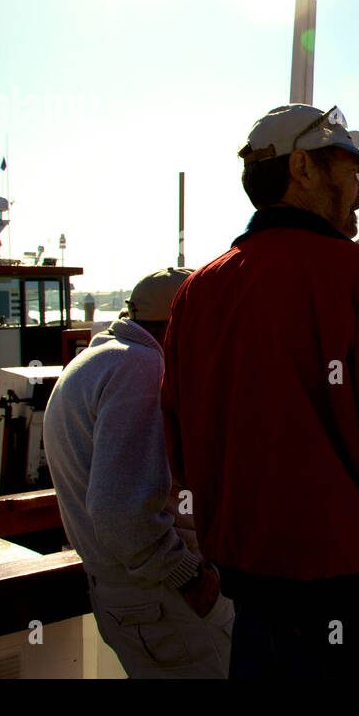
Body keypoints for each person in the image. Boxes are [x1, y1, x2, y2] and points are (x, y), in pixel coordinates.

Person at [161, 103, 359, 679]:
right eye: (351, 172)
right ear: (301, 167)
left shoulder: (196, 294)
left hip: (255, 598)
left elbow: (183, 454)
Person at [43, 267, 234, 678]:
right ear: (181, 324)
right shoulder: (145, 370)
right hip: (164, 599)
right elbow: (119, 510)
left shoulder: (99, 359)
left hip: (130, 595)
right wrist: (190, 579)